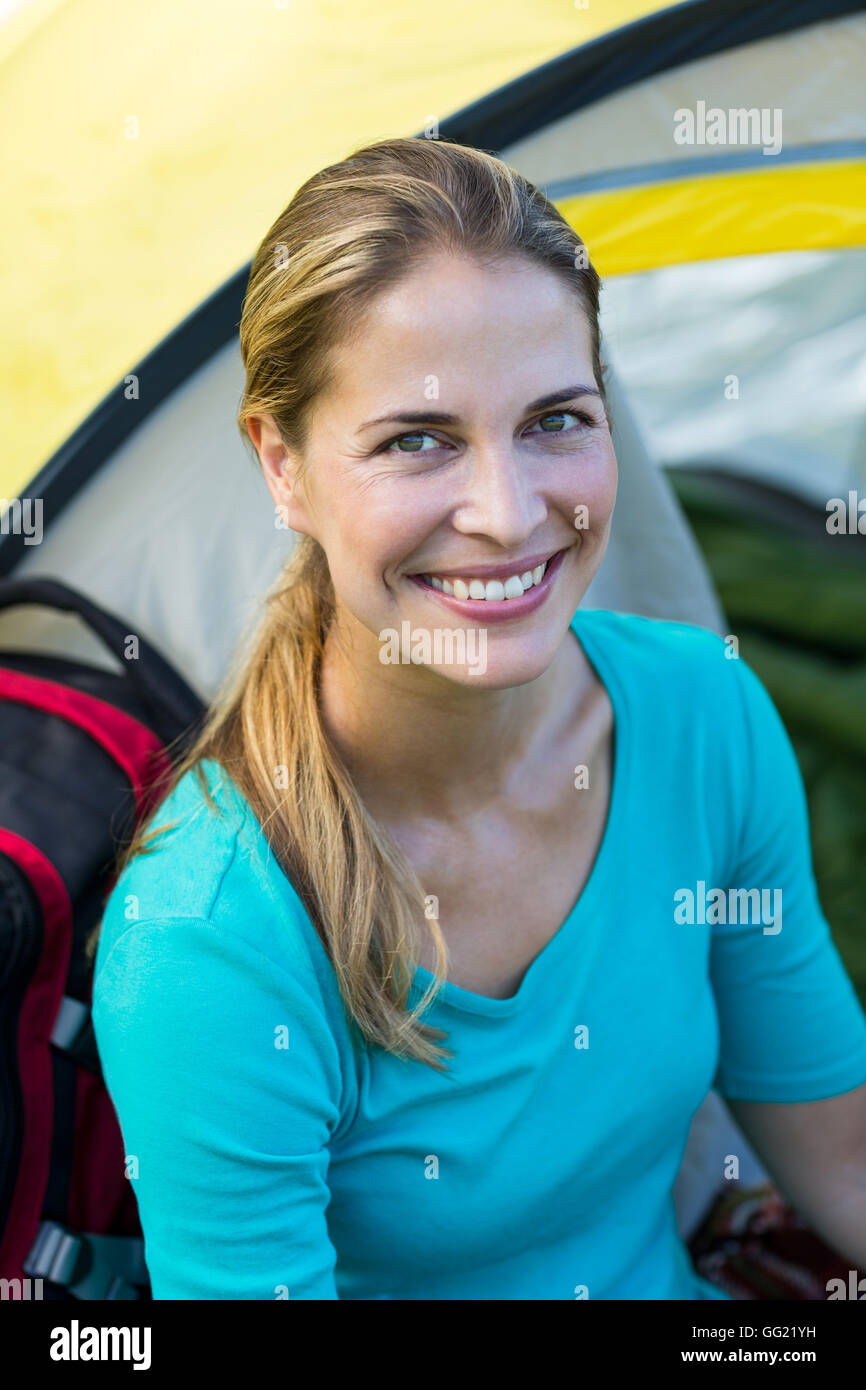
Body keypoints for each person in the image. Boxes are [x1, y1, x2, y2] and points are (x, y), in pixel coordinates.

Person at [90, 136, 866, 1300]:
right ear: (281, 465)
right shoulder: (207, 933)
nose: (508, 514)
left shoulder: (700, 708)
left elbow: (842, 1157)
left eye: (555, 419)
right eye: (418, 440)